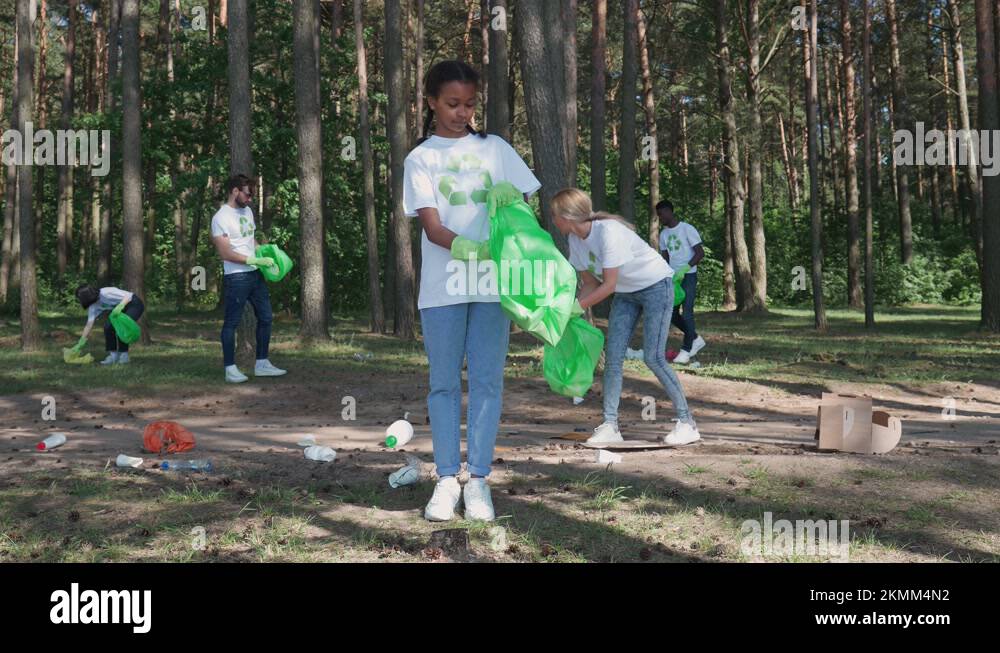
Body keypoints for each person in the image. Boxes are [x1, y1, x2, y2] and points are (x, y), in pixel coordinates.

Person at [404, 60, 541, 522]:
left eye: (468, 105)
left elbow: (523, 211)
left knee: (487, 382)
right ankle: (446, 478)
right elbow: (431, 225)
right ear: (431, 103)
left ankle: (478, 479)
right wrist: (468, 246)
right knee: (443, 383)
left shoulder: (496, 148)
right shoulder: (420, 158)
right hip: (443, 286)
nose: (461, 113)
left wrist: (512, 201)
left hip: (490, 286)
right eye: (452, 104)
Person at [552, 188, 700, 446]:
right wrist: (573, 306)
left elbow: (607, 285)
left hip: (656, 285)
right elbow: (588, 283)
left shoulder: (607, 232)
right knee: (614, 358)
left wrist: (574, 308)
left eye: (555, 215)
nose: (552, 219)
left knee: (653, 357)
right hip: (626, 293)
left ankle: (687, 424)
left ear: (567, 216)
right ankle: (610, 426)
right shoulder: (575, 241)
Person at [210, 173, 286, 383]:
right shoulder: (220, 218)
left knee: (266, 317)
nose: (250, 198)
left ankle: (262, 364)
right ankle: (230, 369)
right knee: (231, 323)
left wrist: (266, 253)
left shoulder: (248, 211)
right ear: (235, 191)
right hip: (236, 277)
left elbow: (250, 241)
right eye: (248, 194)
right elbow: (226, 254)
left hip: (255, 274)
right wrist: (254, 260)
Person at [657, 200, 706, 364]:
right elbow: (665, 258)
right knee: (671, 314)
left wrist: (686, 268)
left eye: (661, 214)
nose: (660, 217)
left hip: (688, 276)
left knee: (687, 312)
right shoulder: (663, 234)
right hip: (673, 278)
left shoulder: (687, 229)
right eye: (658, 215)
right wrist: (666, 274)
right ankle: (695, 338)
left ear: (669, 211)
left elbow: (700, 253)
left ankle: (686, 350)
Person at [71, 285, 145, 365]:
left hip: (133, 304)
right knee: (108, 327)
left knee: (121, 326)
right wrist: (81, 342)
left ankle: (124, 355)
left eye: (80, 298)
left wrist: (120, 306)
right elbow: (89, 324)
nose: (80, 301)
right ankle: (113, 356)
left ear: (86, 296)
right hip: (120, 310)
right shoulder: (93, 306)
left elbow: (128, 296)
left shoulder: (106, 292)